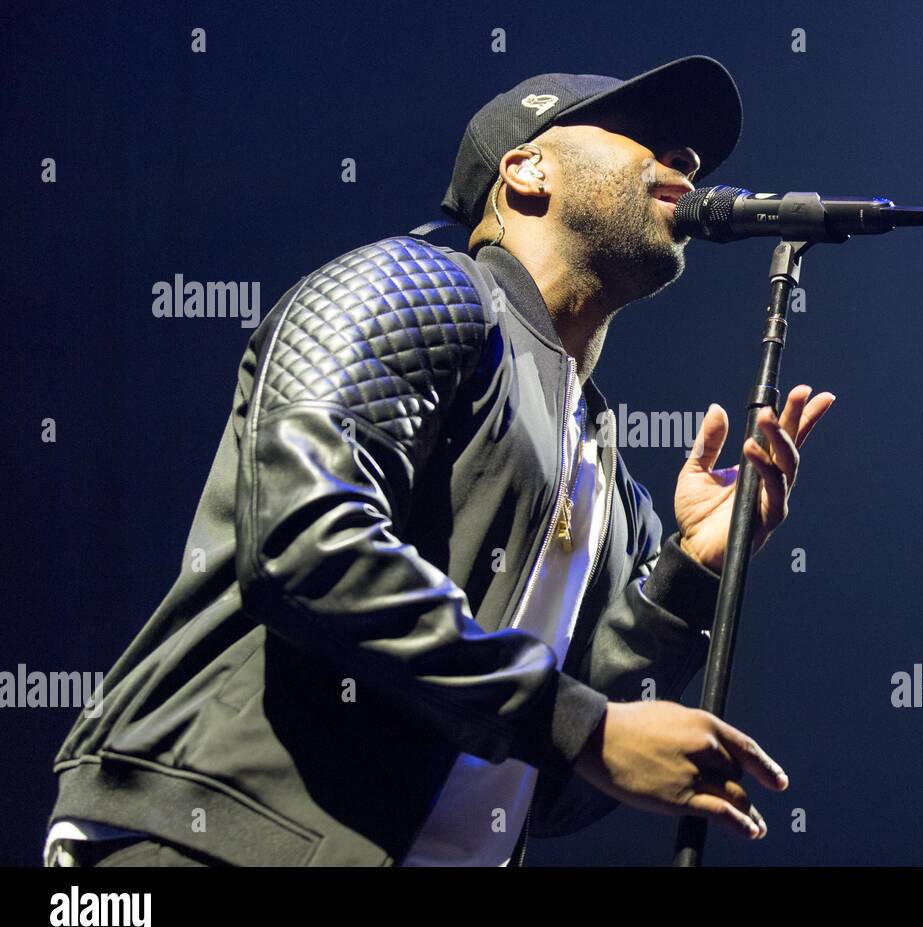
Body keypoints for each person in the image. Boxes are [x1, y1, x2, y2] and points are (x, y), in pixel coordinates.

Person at [44, 55, 835, 867]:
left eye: (689, 155)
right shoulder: (414, 285)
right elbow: (303, 540)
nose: (686, 164)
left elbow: (555, 785)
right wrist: (581, 728)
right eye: (644, 135)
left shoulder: (603, 466)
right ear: (526, 169)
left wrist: (687, 575)